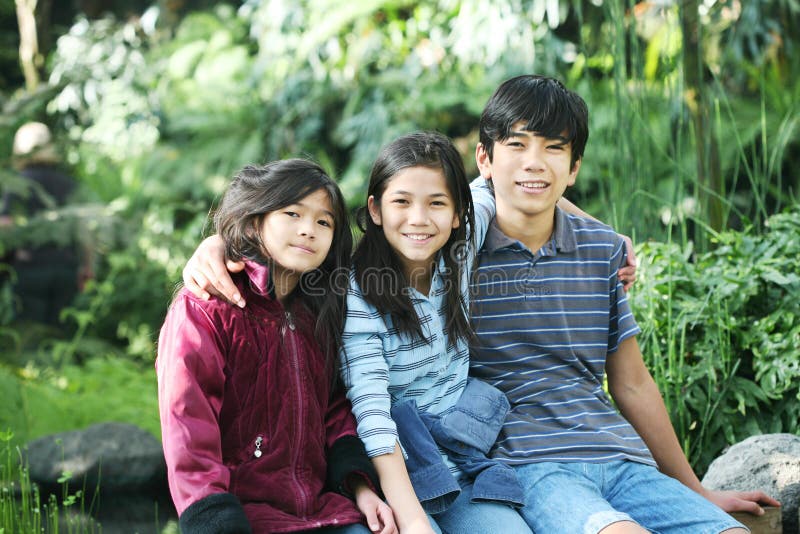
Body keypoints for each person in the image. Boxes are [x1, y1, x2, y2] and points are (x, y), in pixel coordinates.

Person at [179, 132, 632, 533]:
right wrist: (220, 243)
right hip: (393, 469)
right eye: (401, 202)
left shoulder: (457, 255)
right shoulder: (354, 297)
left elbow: (510, 184)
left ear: (459, 214)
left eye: (436, 204)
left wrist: (608, 239)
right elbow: (372, 415)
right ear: (375, 209)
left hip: (461, 462)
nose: (419, 218)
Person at [466, 74, 779, 533]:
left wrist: (696, 489)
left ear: (574, 167)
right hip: (531, 466)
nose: (534, 162)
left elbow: (632, 383)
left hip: (620, 459)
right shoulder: (460, 252)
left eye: (554, 148)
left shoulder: (600, 251)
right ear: (485, 159)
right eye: (517, 144)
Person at [156, 160, 396, 534]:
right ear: (256, 222)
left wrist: (361, 489)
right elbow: (188, 431)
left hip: (324, 512)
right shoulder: (206, 307)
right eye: (293, 213)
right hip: (243, 518)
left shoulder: (318, 312)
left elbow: (333, 409)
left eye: (324, 222)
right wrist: (216, 523)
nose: (308, 230)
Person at [1, 121, 93, 326]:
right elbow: (83, 230)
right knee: (58, 333)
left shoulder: (18, 184)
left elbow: (6, 225)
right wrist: (87, 267)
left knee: (30, 333)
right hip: (65, 270)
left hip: (29, 269)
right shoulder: (69, 184)